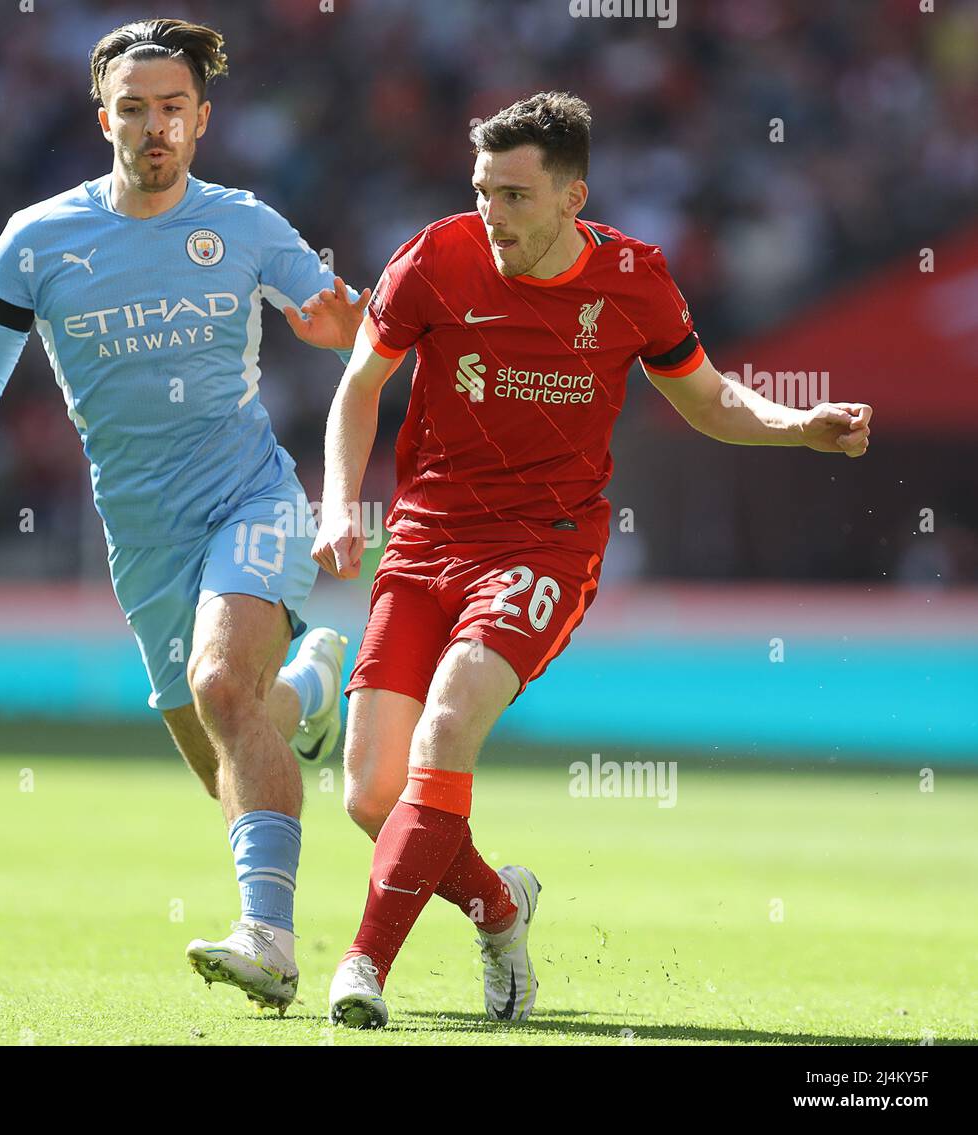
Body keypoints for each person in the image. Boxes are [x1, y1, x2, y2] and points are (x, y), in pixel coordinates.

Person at [313, 90, 872, 1028]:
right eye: (485, 190)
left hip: (545, 545)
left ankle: (362, 965)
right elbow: (358, 383)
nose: (493, 214)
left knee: (448, 723)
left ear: (575, 196)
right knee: (372, 794)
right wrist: (338, 502)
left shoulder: (634, 281)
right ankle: (501, 905)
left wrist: (798, 426)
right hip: (423, 542)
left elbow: (708, 401)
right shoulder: (434, 260)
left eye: (517, 196)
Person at [0, 18, 369, 1016]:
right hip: (142, 534)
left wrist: (348, 319)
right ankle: (308, 688)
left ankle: (271, 942)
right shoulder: (37, 237)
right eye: (134, 108)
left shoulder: (245, 223)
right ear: (104, 117)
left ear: (201, 120)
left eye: (173, 108)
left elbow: (345, 319)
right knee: (225, 755)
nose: (154, 126)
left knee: (220, 682)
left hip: (248, 494)